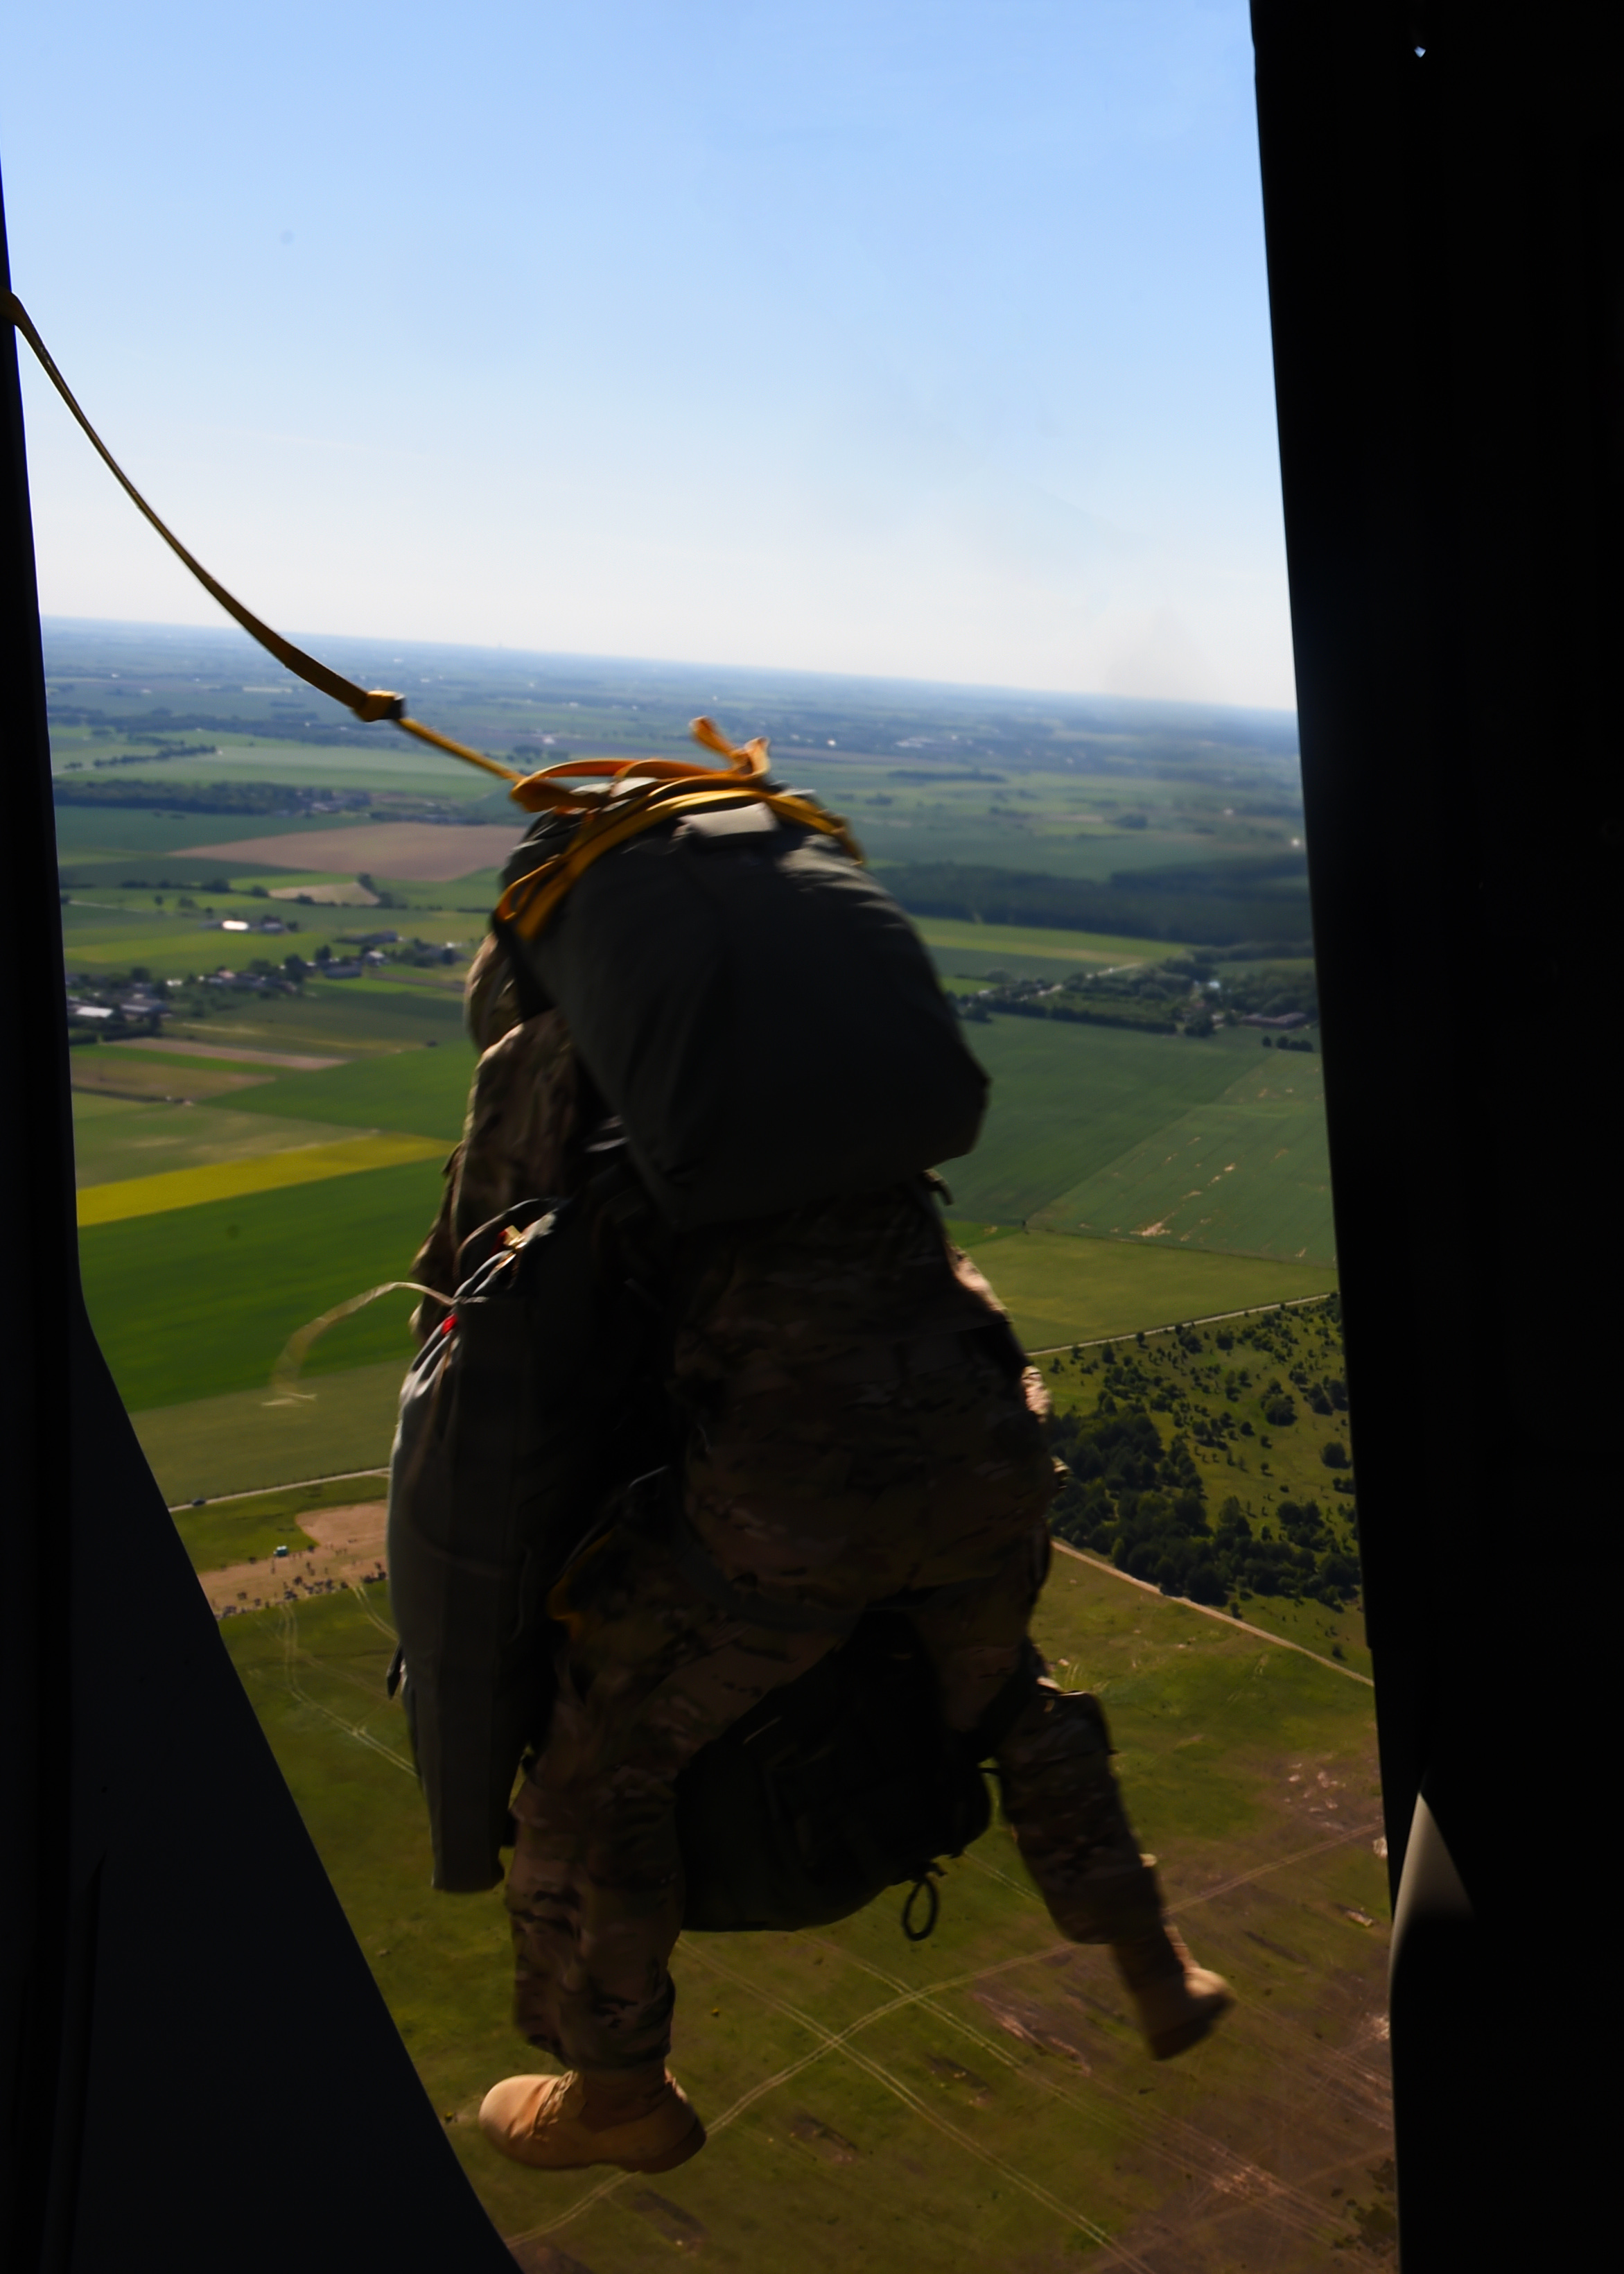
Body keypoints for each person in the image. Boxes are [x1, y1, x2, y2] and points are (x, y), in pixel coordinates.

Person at [410, 934, 1232, 2180]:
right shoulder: (803, 1068)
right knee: (1009, 1688)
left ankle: (617, 2092)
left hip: (794, 1487)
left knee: (601, 1776)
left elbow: (468, 1305)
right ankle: (1150, 1960)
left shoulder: (551, 1065)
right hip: (988, 1422)